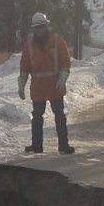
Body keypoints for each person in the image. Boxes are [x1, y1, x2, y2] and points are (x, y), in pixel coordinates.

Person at [18, 12, 74, 154]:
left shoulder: (57, 41)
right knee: (37, 117)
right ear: (33, 29)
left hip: (55, 86)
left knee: (59, 116)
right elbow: (24, 66)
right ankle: (37, 145)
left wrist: (62, 80)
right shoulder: (29, 45)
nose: (39, 30)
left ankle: (63, 145)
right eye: (37, 28)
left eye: (41, 27)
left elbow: (66, 63)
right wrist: (21, 85)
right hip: (38, 88)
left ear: (46, 26)